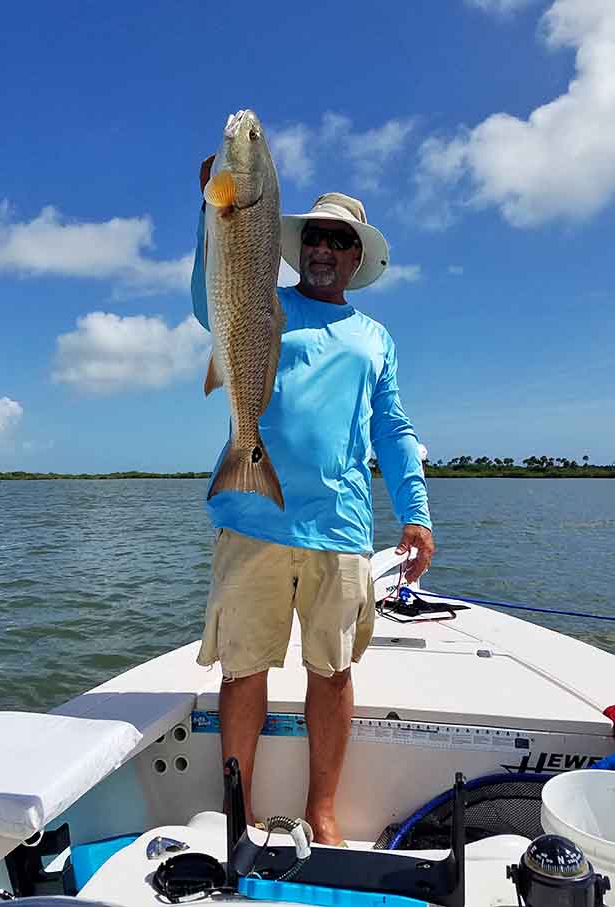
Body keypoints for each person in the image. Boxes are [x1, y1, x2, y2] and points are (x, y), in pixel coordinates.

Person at [191, 156, 434, 845]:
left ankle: (321, 810)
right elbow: (205, 295)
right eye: (314, 239)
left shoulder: (376, 338)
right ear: (298, 249)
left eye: (339, 240)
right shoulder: (262, 301)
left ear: (358, 257)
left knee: (332, 673)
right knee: (243, 671)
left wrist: (415, 511)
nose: (323, 249)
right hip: (251, 516)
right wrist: (213, 214)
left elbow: (392, 428)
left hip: (341, 524)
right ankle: (236, 812)